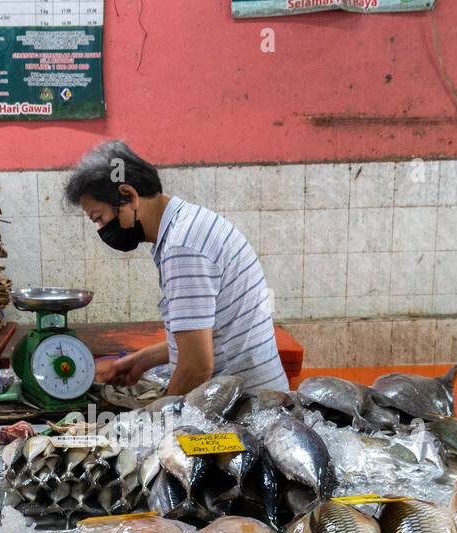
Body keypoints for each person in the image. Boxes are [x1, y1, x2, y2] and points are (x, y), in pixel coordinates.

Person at [63, 141, 289, 395]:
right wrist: (142, 360)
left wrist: (160, 420)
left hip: (247, 406)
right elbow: (209, 332)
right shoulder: (187, 224)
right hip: (253, 394)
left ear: (129, 195)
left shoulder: (182, 246)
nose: (101, 229)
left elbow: (197, 367)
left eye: (99, 217)